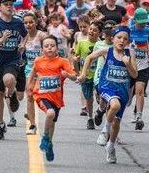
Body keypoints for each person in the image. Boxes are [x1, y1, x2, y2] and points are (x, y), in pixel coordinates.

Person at [80, 27, 137, 164]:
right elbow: (89, 57)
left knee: (116, 122)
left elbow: (134, 75)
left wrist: (127, 64)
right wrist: (83, 74)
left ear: (128, 41)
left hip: (122, 90)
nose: (121, 41)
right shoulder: (108, 51)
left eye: (125, 39)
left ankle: (111, 146)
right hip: (106, 86)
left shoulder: (130, 53)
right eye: (119, 37)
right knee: (114, 105)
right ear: (113, 38)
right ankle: (105, 130)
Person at [28, 35, 79, 162]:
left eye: (52, 45)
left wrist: (67, 75)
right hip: (41, 95)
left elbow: (74, 76)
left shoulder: (63, 62)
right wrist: (30, 87)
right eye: (46, 46)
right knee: (50, 113)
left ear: (57, 48)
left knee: (52, 122)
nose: (49, 48)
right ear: (42, 49)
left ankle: (49, 143)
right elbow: (33, 73)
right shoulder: (38, 61)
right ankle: (45, 137)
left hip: (56, 98)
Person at [0, 0, 29, 140]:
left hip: (13, 60)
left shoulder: (18, 23)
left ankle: (11, 95)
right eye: (7, 4)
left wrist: (23, 44)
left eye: (12, 4)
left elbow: (26, 35)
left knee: (9, 79)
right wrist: (1, 40)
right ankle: (0, 123)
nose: (10, 6)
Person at [74, 22, 101, 129]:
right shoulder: (81, 43)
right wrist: (78, 73)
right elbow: (76, 58)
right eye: (91, 29)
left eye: (95, 30)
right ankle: (90, 118)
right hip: (86, 75)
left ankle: (100, 110)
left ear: (99, 33)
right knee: (89, 99)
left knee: (99, 95)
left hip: (98, 75)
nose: (91, 32)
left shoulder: (101, 44)